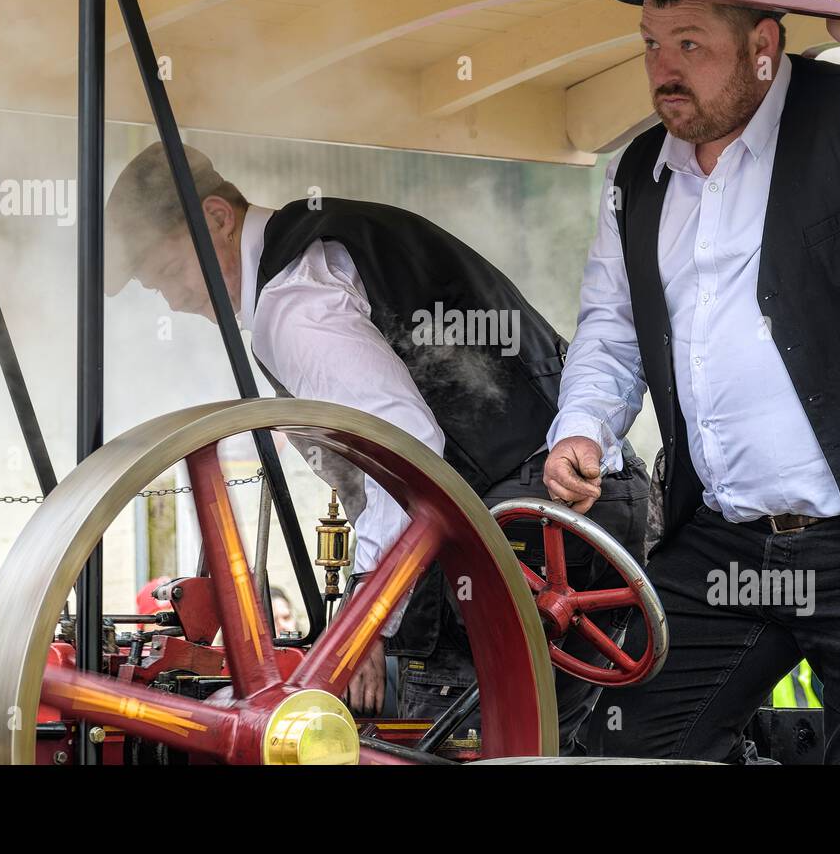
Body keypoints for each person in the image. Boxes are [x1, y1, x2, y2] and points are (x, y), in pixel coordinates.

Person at [544, 0, 840, 764]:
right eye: (651, 44)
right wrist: (585, 426)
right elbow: (614, 326)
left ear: (764, 43)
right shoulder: (640, 174)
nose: (664, 69)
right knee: (626, 750)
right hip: (725, 539)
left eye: (690, 45)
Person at [103, 145, 649, 754]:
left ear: (216, 219)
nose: (173, 301)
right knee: (549, 747)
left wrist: (369, 620)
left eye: (165, 271)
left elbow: (403, 445)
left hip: (509, 536)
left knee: (458, 747)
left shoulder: (295, 300)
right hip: (595, 507)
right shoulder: (341, 243)